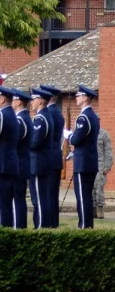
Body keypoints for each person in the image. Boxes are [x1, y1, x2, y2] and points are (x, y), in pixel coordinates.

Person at [66, 85, 100, 229]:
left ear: (85, 98)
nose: (76, 97)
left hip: (83, 162)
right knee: (86, 195)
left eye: (79, 95)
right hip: (90, 161)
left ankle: (85, 226)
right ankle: (87, 225)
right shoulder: (93, 116)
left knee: (83, 196)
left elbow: (76, 140)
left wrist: (67, 134)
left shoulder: (84, 117)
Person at [0, 85, 19, 228]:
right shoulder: (12, 114)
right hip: (9, 163)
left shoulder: (0, 115)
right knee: (6, 203)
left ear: (2, 99)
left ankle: (0, 233)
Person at [40, 84, 66, 227]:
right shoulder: (57, 112)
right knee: (52, 194)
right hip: (55, 155)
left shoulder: (49, 113)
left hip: (48, 156)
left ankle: (48, 224)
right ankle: (53, 223)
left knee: (48, 193)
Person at [28, 88, 53, 229]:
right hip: (40, 161)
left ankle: (41, 226)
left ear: (41, 101)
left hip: (38, 161)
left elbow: (34, 142)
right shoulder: (45, 116)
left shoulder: (40, 118)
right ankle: (42, 224)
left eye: (34, 99)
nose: (32, 102)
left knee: (38, 197)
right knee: (39, 196)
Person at [11, 88, 32, 229]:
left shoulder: (20, 120)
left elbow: (14, 142)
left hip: (18, 163)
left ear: (18, 102)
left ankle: (18, 227)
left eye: (13, 99)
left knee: (16, 199)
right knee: (19, 198)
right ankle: (20, 226)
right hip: (23, 163)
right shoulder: (26, 118)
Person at [94, 126, 112, 219]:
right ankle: (92, 210)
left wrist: (107, 167)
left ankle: (99, 209)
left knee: (99, 187)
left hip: (100, 164)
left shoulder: (103, 134)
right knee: (90, 188)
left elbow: (108, 151)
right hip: (89, 163)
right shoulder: (88, 132)